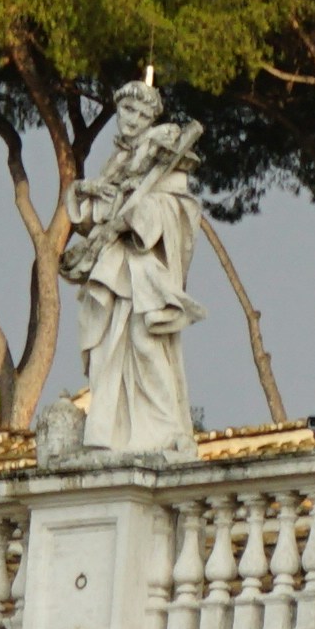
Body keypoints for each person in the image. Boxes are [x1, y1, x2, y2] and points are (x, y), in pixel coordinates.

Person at [54, 69, 206, 458]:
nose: (131, 120)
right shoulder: (116, 160)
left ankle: (161, 430)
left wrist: (139, 216)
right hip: (110, 264)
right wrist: (88, 191)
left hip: (140, 268)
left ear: (152, 118)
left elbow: (180, 210)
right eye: (125, 111)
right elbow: (88, 220)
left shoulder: (167, 158)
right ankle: (106, 433)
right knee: (106, 351)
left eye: (140, 114)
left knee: (144, 341)